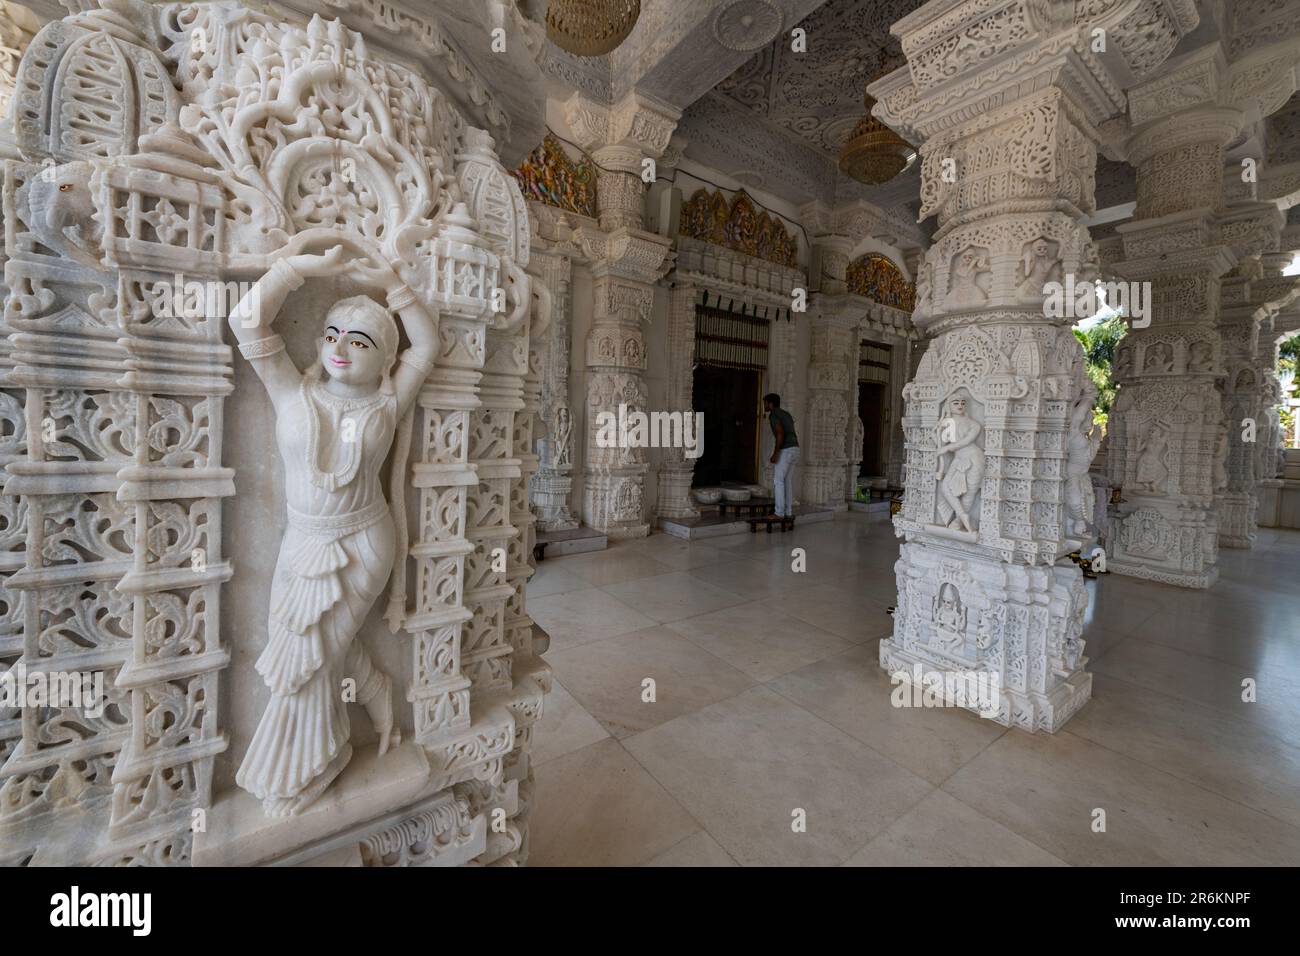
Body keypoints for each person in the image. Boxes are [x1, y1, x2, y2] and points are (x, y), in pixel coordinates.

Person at [227, 240, 439, 817]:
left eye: (361, 340)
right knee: (292, 651)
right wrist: (294, 268)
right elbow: (246, 318)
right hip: (304, 542)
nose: (341, 349)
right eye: (332, 335)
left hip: (365, 542)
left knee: (318, 658)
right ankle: (372, 693)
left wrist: (395, 282)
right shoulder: (291, 389)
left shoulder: (388, 402)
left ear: (386, 359)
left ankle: (312, 765)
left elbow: (429, 342)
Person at [764, 393, 800, 518]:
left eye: (765, 403)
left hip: (786, 450)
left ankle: (779, 513)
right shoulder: (786, 414)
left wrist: (775, 453)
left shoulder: (774, 415)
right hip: (795, 449)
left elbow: (780, 433)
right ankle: (788, 512)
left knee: (778, 481)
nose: (764, 405)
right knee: (787, 481)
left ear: (770, 404)